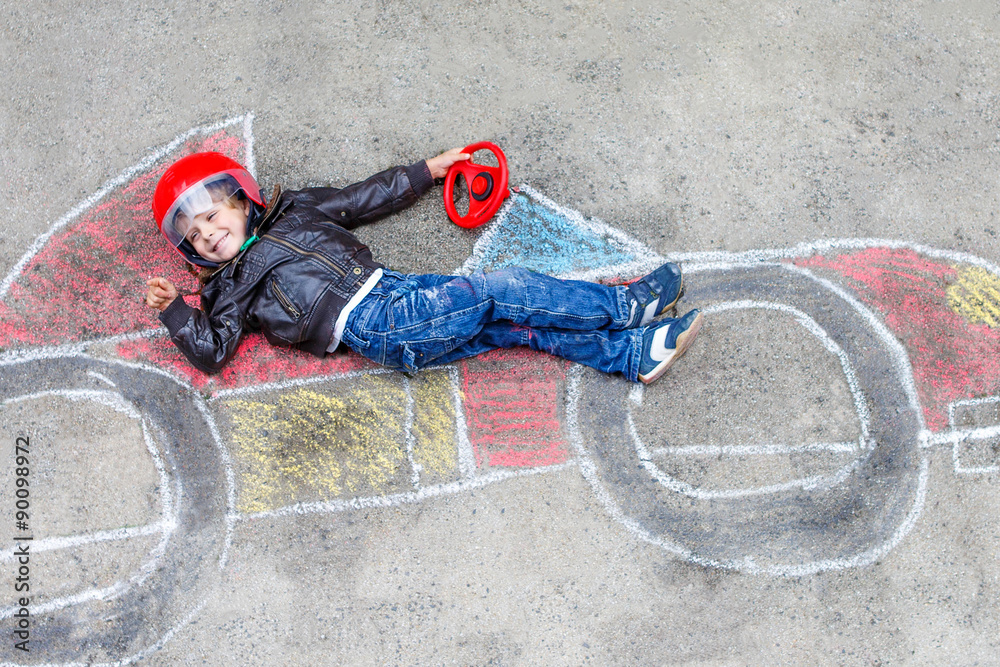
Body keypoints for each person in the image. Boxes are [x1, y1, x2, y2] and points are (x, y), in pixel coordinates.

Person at [145, 149, 703, 384]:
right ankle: (624, 307)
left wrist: (427, 171)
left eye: (213, 217)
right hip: (376, 326)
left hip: (395, 290)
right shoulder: (227, 288)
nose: (209, 236)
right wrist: (176, 310)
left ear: (241, 199)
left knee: (513, 326)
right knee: (501, 290)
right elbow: (212, 350)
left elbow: (361, 198)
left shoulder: (295, 209)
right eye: (195, 236)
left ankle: (632, 355)